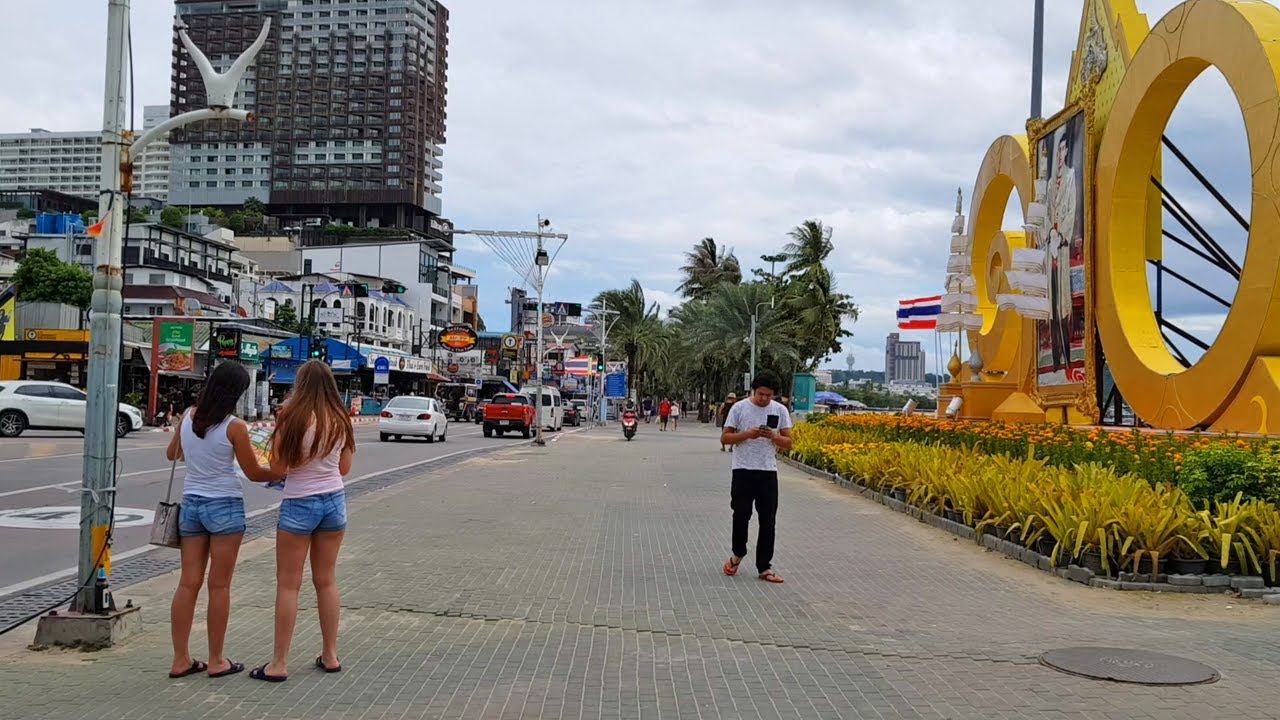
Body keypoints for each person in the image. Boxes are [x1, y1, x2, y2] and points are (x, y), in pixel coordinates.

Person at [165, 361, 284, 680]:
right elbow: (253, 472)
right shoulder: (234, 427)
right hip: (224, 507)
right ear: (235, 393)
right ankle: (216, 660)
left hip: (192, 505)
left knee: (188, 583)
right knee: (219, 585)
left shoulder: (188, 416)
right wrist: (282, 473)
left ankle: (180, 659)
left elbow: (173, 454)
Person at [251, 360, 357, 682]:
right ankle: (330, 655)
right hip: (334, 502)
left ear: (300, 385)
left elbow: (279, 467)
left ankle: (279, 663)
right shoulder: (341, 419)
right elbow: (344, 469)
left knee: (288, 583)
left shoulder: (291, 417)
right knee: (326, 581)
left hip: (299, 502)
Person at [720, 373, 793, 584]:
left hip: (768, 471)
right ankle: (738, 553)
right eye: (761, 394)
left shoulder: (780, 410)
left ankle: (764, 566)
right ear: (754, 390)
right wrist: (747, 434)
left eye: (769, 395)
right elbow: (725, 438)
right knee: (741, 514)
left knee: (768, 520)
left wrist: (774, 436)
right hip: (743, 469)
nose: (764, 398)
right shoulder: (739, 408)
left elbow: (789, 442)